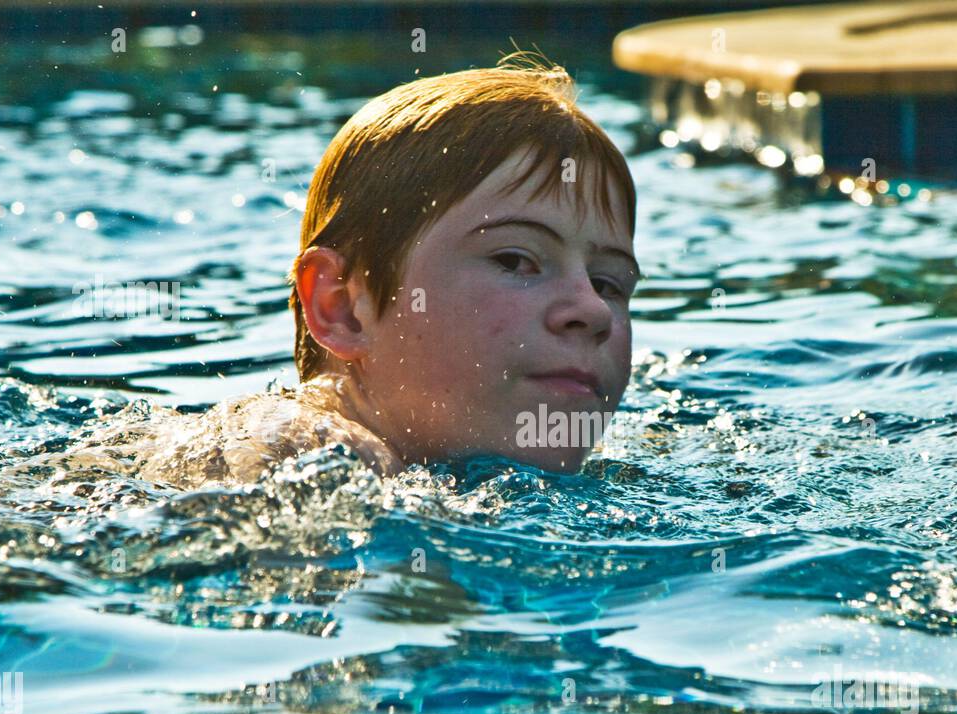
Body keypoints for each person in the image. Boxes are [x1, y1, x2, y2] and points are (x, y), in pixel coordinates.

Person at [130, 54, 639, 489]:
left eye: (609, 283)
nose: (593, 310)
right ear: (344, 307)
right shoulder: (308, 449)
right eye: (514, 260)